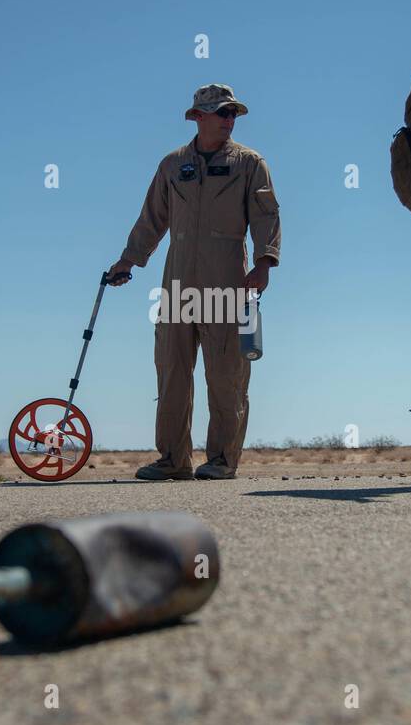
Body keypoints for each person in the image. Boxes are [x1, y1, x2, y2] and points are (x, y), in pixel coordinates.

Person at [106, 84, 281, 480]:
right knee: (171, 369)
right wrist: (129, 260)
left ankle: (221, 460)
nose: (228, 119)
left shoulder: (250, 163)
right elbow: (152, 217)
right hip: (177, 283)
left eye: (232, 113)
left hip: (227, 281)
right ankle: (172, 460)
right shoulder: (172, 165)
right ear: (198, 117)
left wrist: (265, 262)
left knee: (226, 374)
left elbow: (266, 215)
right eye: (221, 113)